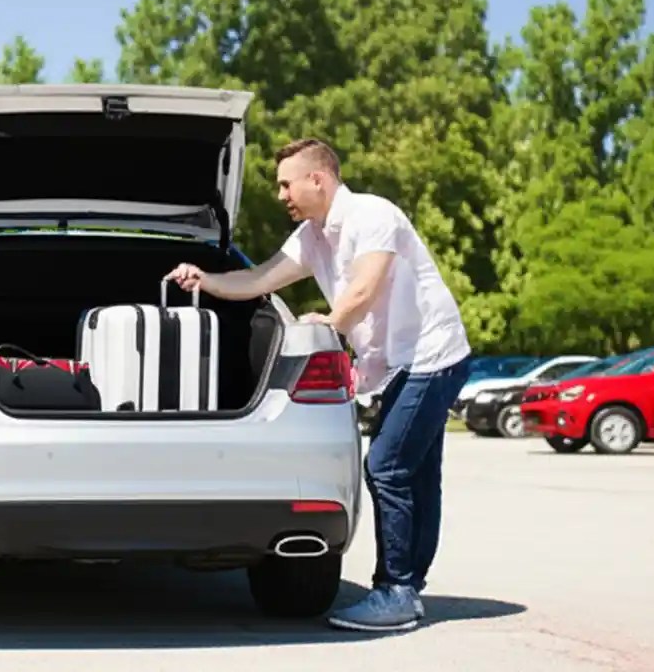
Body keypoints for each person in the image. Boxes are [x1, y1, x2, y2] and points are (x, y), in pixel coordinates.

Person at [165, 138, 471, 632]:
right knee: (414, 474)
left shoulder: (374, 215)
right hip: (399, 364)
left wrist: (329, 323)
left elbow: (364, 288)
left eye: (286, 183)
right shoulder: (312, 236)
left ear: (318, 179)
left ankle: (395, 590)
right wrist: (204, 280)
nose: (281, 193)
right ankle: (409, 589)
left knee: (388, 467)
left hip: (431, 357)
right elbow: (259, 280)